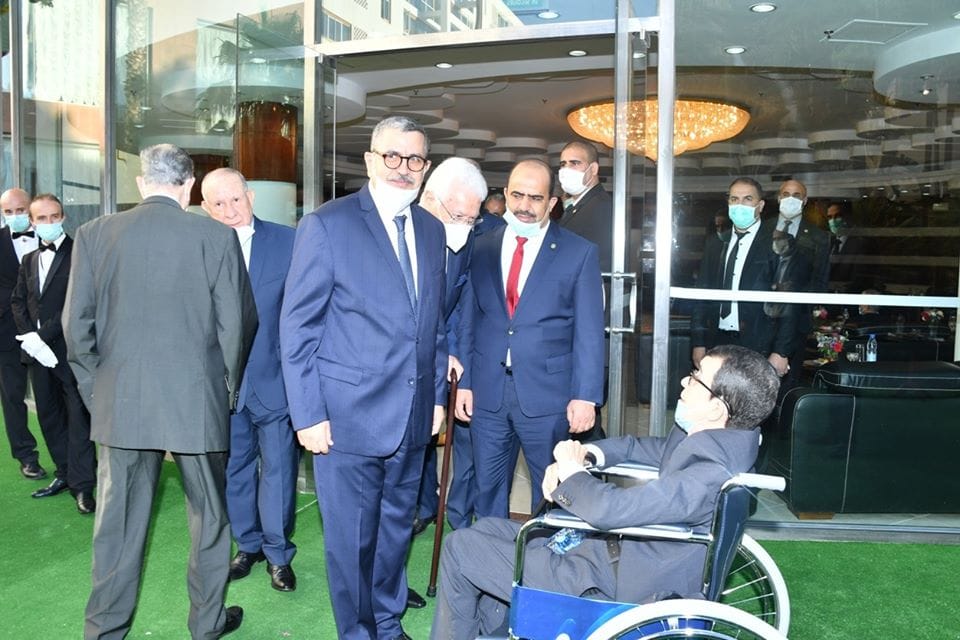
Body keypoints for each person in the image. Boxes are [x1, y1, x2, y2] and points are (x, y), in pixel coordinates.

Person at [431, 344, 780, 639]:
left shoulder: (708, 471)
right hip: (619, 553)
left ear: (717, 406)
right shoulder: (719, 440)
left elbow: (614, 511)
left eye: (696, 377)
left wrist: (570, 474)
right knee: (489, 529)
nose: (684, 380)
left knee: (462, 548)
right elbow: (641, 447)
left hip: (620, 583)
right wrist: (588, 453)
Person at [64, 144, 256, 639]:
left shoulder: (92, 235)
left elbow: (74, 326)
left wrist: (97, 390)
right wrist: (226, 392)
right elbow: (235, 325)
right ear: (189, 185)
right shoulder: (216, 236)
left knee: (117, 528)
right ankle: (207, 624)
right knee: (210, 521)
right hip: (196, 402)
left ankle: (103, 632)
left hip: (120, 401)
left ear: (140, 182)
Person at [280, 115, 448, 640]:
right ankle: (356, 633)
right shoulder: (327, 224)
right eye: (393, 157)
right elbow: (297, 327)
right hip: (344, 420)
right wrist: (308, 415)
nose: (404, 169)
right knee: (351, 540)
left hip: (413, 415)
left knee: (397, 531)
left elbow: (433, 324)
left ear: (426, 167)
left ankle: (387, 620)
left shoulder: (431, 228)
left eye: (415, 159)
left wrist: (437, 396)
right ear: (371, 160)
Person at [455, 158, 605, 519]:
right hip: (488, 393)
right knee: (487, 490)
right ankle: (488, 565)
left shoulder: (578, 252)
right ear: (505, 195)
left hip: (548, 396)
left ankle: (545, 568)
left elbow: (589, 330)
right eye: (517, 195)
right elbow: (468, 319)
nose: (524, 206)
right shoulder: (481, 247)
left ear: (552, 203)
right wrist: (465, 383)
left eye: (535, 198)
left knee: (552, 490)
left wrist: (585, 396)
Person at [200, 168, 299, 593]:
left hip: (275, 381)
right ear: (205, 208)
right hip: (222, 385)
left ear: (251, 196)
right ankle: (249, 545)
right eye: (218, 204)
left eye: (235, 200)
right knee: (236, 469)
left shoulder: (290, 242)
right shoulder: (198, 248)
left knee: (277, 470)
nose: (229, 210)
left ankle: (278, 555)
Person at [412, 157, 489, 537]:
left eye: (471, 220)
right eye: (457, 216)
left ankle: (423, 506)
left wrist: (453, 357)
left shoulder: (461, 242)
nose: (464, 228)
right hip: (395, 371)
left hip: (436, 364)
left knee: (423, 445)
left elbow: (455, 310)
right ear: (429, 198)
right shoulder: (400, 237)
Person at [10, 194, 96, 513]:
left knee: (78, 420)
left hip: (69, 351)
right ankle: (64, 474)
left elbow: (75, 305)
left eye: (54, 216)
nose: (48, 223)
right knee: (48, 415)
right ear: (32, 222)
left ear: (63, 216)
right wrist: (30, 339)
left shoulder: (80, 254)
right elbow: (19, 300)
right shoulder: (30, 259)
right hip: (37, 353)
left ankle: (84, 486)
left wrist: (41, 338)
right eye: (41, 218)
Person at [691, 177, 795, 377]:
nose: (740, 205)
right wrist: (699, 341)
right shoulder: (715, 243)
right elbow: (701, 295)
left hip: (759, 343)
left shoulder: (779, 243)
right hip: (717, 341)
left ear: (760, 205)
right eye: (734, 199)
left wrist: (781, 351)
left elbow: (789, 301)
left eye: (747, 199)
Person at [0, 187, 42, 480]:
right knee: (13, 397)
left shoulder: (52, 239)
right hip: (6, 334)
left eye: (20, 210)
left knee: (56, 399)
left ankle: (70, 461)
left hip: (46, 334)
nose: (15, 216)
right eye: (8, 212)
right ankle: (26, 456)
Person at [774, 179, 829, 393]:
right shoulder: (763, 229)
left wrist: (810, 316)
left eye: (796, 195)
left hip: (796, 321)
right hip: (759, 320)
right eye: (785, 193)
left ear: (804, 200)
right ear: (778, 198)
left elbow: (820, 280)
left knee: (788, 385)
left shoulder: (818, 237)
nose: (790, 199)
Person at [558, 141, 613, 272]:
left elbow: (599, 261)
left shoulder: (602, 206)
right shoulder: (577, 206)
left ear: (593, 169)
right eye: (563, 164)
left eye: (575, 163)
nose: (566, 170)